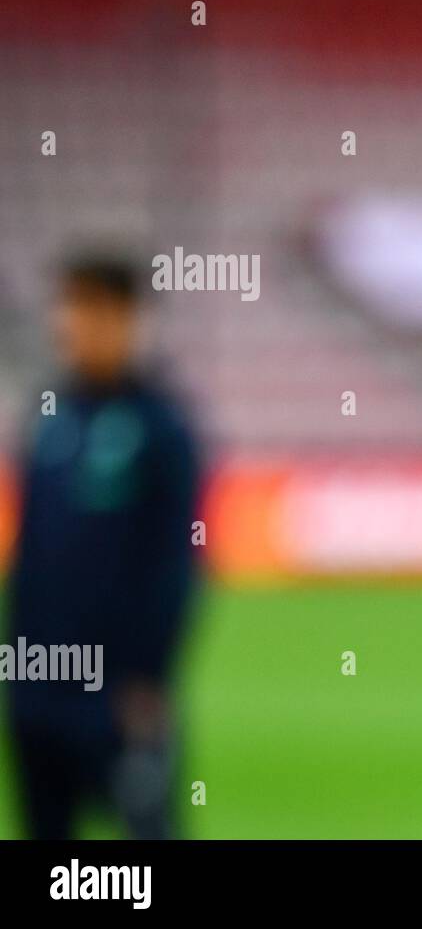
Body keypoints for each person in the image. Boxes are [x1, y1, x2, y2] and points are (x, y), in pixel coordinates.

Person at [5, 254, 200, 839]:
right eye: (64, 307)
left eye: (86, 307)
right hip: (36, 692)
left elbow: (176, 563)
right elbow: (30, 554)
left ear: (127, 318)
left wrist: (149, 677)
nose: (69, 323)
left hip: (116, 696)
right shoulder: (50, 416)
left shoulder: (162, 426)